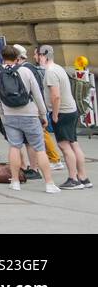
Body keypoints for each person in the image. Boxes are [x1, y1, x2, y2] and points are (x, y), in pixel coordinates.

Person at [0, 45, 58, 193]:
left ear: (2, 57)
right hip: (29, 114)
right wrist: (42, 114)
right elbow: (37, 95)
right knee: (39, 148)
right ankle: (49, 183)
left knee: (14, 147)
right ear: (17, 58)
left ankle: (15, 181)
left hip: (9, 115)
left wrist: (2, 113)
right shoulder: (25, 71)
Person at [36, 45, 91, 190]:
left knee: (64, 146)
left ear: (44, 55)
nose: (36, 58)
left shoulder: (50, 72)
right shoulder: (59, 68)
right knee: (73, 144)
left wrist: (54, 114)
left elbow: (56, 95)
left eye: (37, 55)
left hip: (62, 112)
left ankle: (73, 179)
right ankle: (83, 177)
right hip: (71, 110)